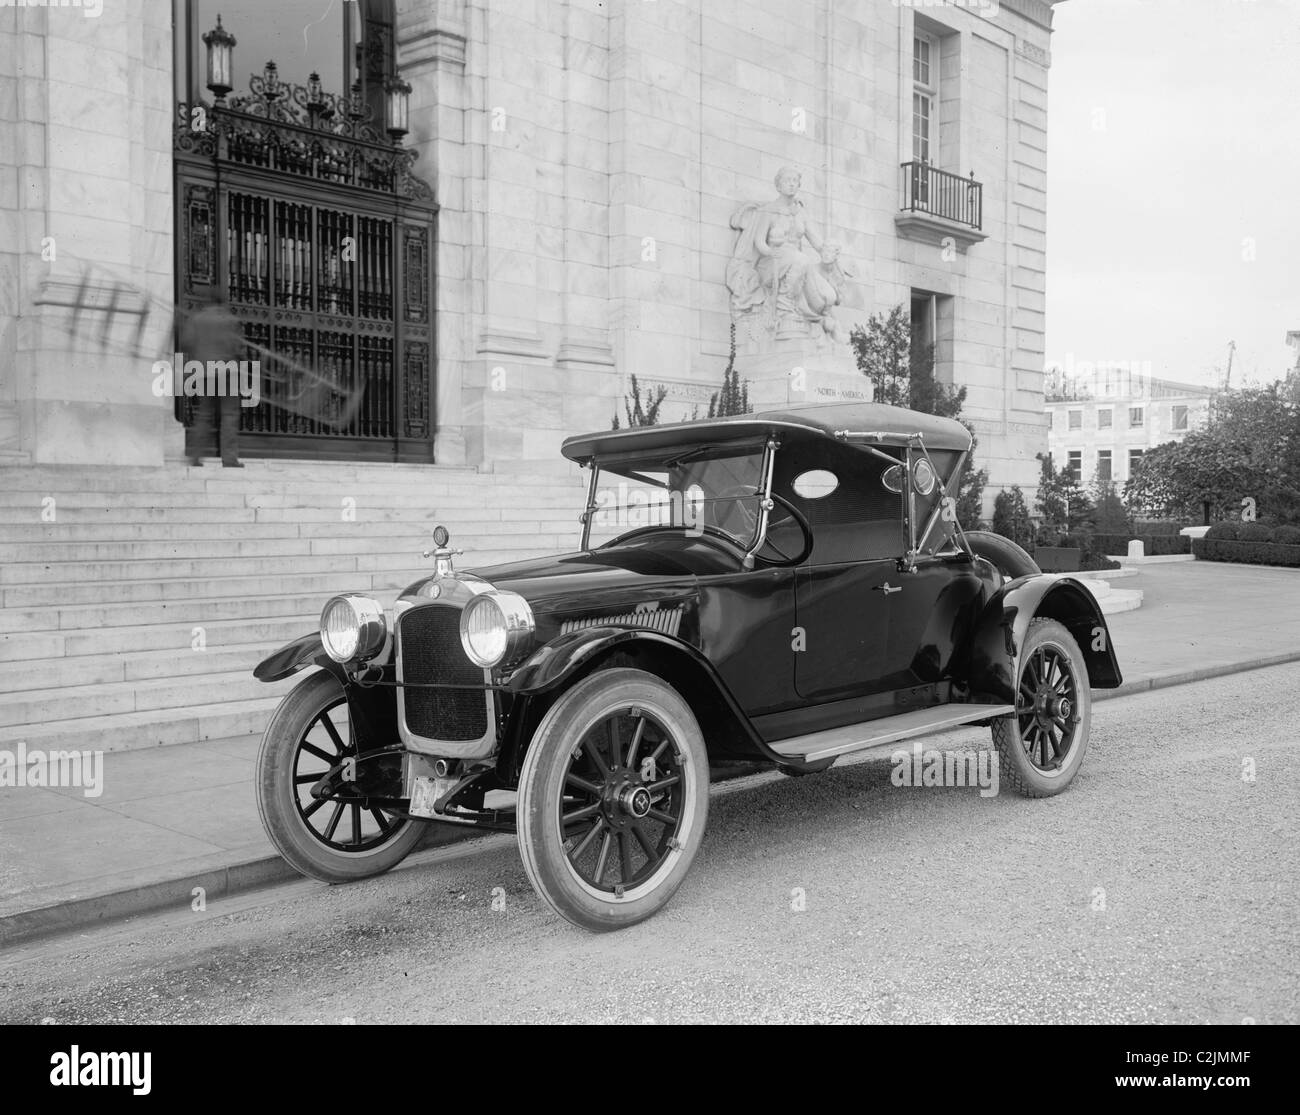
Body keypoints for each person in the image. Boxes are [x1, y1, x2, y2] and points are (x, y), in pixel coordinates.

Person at [181, 292, 245, 467]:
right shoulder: (230, 320)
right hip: (226, 370)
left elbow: (186, 343)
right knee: (229, 415)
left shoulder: (197, 319)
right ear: (222, 303)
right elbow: (237, 347)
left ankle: (195, 456)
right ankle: (229, 459)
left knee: (204, 413)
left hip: (204, 370)